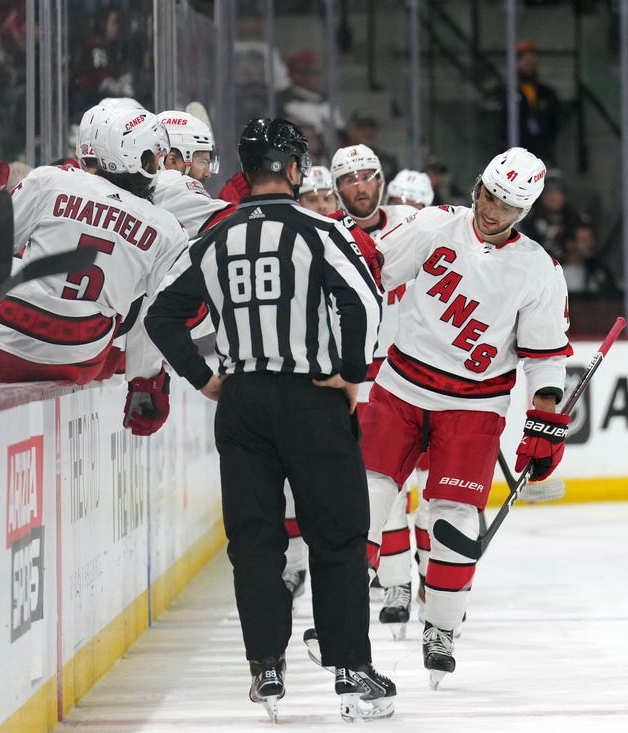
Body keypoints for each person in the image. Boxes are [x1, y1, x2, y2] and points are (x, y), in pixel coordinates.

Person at [143, 117, 395, 723]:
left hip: (243, 405)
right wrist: (351, 373)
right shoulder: (320, 230)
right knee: (337, 535)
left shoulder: (214, 235)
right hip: (311, 400)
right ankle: (349, 666)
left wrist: (205, 379)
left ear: (247, 169)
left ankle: (267, 667)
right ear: (294, 168)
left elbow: (160, 315)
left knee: (255, 542)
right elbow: (364, 301)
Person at [364, 146, 572, 688]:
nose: (491, 209)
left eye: (507, 204)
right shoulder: (433, 225)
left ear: (524, 211)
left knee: (454, 518)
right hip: (401, 384)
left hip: (475, 405)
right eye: (488, 194)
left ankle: (441, 628)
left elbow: (545, 356)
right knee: (363, 496)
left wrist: (543, 424)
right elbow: (370, 273)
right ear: (478, 185)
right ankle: (342, 612)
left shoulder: (538, 270)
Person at [0, 106, 186, 437]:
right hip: (84, 357)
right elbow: (157, 317)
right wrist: (149, 382)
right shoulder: (167, 229)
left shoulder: (51, 180)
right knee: (131, 304)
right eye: (152, 157)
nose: (155, 166)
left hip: (8, 344)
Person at [330, 143, 427, 639]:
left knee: (430, 490)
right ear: (336, 188)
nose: (360, 186)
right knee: (380, 490)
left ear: (381, 180)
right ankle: (396, 584)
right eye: (349, 179)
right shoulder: (326, 234)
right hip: (360, 379)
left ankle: (434, 583)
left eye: (367, 176)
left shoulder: (414, 223)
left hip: (417, 373)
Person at [154, 109, 233, 234]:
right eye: (202, 162)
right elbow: (238, 220)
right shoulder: (171, 185)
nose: (207, 174)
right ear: (172, 161)